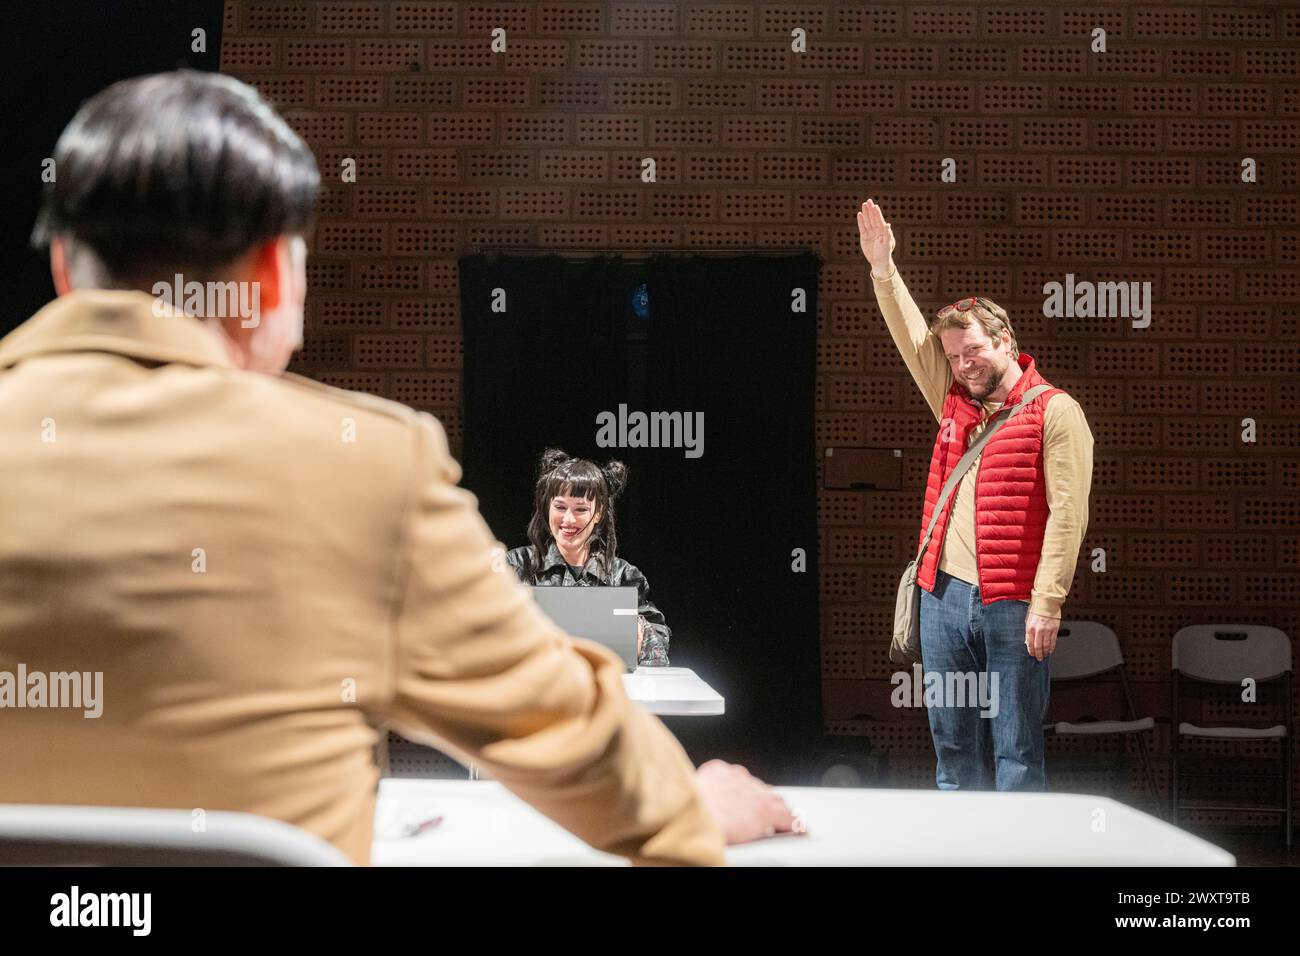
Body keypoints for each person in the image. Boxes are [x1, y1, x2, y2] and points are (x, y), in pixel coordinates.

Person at [0, 69, 797, 866]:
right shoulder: (369, 469)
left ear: (67, 269)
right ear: (278, 275)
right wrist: (685, 805)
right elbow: (563, 734)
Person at [856, 198, 1095, 791]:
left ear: (1006, 340)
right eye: (955, 357)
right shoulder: (954, 401)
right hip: (942, 597)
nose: (963, 365)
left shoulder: (1055, 412)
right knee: (953, 753)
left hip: (1014, 603)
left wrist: (1049, 600)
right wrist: (885, 271)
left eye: (975, 352)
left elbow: (1068, 517)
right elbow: (914, 341)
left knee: (1017, 752)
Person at [505, 449, 670, 667]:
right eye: (560, 507)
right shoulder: (516, 566)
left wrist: (641, 634)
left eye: (581, 509)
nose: (568, 519)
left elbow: (658, 638)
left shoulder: (623, 575)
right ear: (547, 507)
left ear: (599, 513)